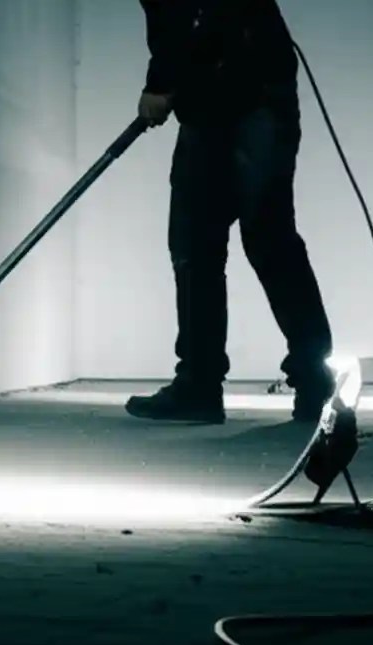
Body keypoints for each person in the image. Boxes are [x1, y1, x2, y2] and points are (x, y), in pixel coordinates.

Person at [125, 0, 335, 424]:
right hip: (210, 106)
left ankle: (314, 381)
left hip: (256, 97)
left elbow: (201, 14)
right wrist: (167, 83)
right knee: (194, 245)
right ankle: (200, 386)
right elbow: (176, 24)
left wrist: (162, 85)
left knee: (268, 239)